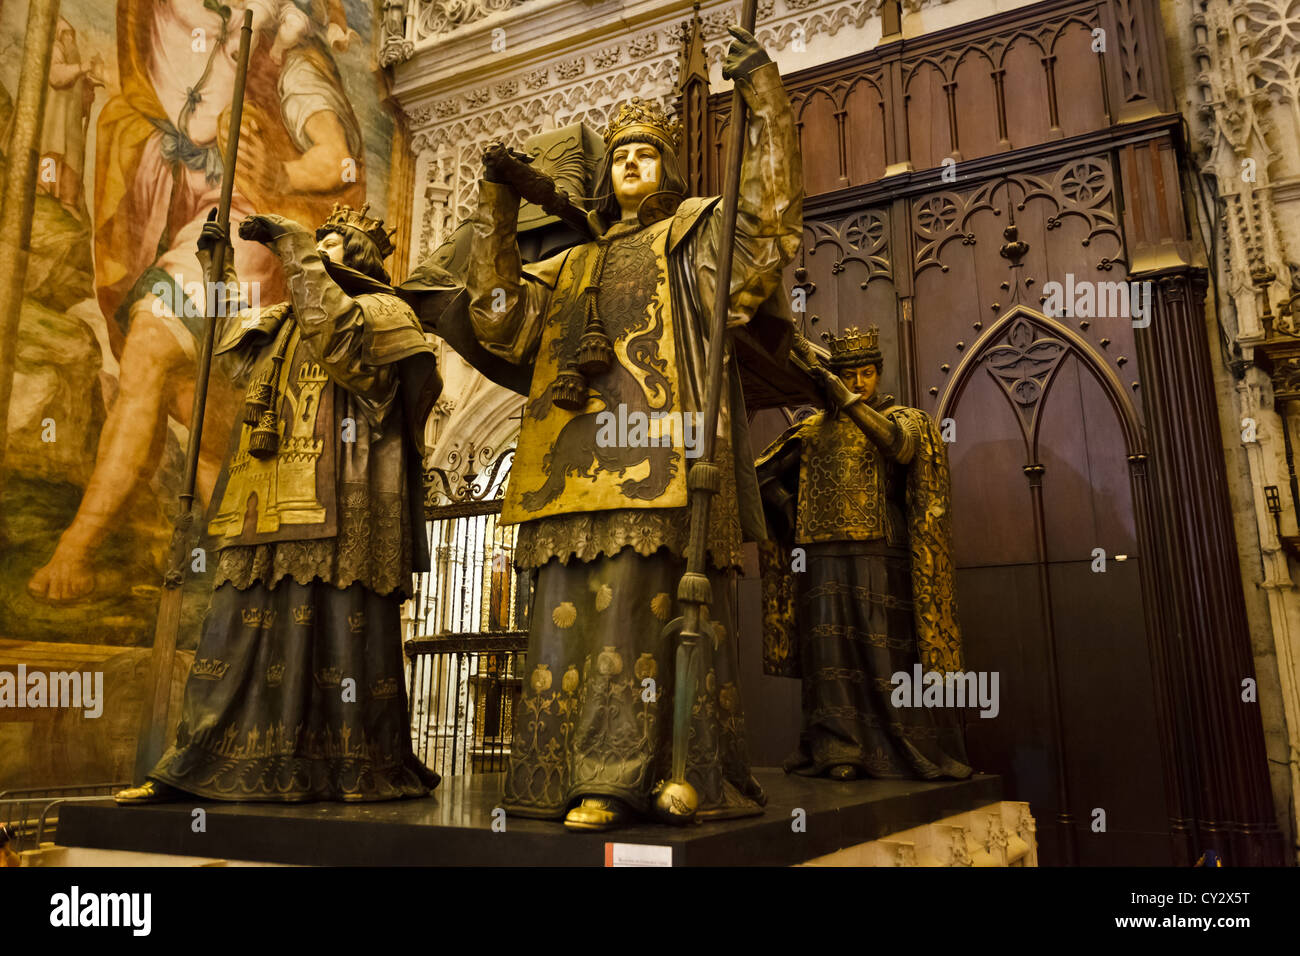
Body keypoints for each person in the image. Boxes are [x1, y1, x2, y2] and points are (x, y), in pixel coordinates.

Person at [464, 25, 802, 830]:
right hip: (567, 466)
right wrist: (498, 205)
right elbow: (501, 320)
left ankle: (625, 778)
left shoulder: (690, 239)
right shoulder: (571, 265)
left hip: (661, 456)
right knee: (563, 628)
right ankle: (555, 777)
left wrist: (766, 101)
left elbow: (762, 231)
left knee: (633, 616)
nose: (630, 164)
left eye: (646, 153)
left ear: (669, 169)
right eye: (620, 155)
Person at [115, 204, 442, 803]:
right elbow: (225, 362)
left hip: (341, 497)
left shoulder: (382, 313)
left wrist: (296, 248)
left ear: (360, 256)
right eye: (320, 240)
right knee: (234, 632)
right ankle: (200, 761)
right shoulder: (283, 320)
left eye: (334, 242)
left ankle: (340, 763)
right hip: (262, 497)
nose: (320, 247)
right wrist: (216, 274)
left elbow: (344, 351)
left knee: (334, 631)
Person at [755, 326, 972, 782]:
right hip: (820, 555)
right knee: (829, 659)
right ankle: (838, 751)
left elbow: (901, 446)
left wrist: (847, 403)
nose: (858, 383)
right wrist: (787, 504)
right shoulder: (811, 430)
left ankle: (908, 746)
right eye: (849, 375)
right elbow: (758, 476)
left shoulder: (905, 418)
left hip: (880, 552)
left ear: (879, 374)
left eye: (866, 373)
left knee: (884, 657)